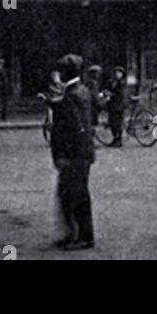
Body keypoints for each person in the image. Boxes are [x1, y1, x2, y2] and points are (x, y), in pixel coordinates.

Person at [49, 54, 95, 251]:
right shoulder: (81, 91)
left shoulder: (71, 96)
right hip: (83, 153)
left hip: (74, 155)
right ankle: (76, 234)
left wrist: (63, 156)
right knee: (76, 194)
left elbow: (73, 129)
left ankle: (81, 237)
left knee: (73, 195)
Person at [107, 66, 128, 147]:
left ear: (122, 74)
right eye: (116, 72)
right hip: (112, 105)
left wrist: (111, 95)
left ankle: (119, 140)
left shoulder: (121, 83)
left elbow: (120, 95)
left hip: (119, 105)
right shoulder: (112, 82)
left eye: (119, 73)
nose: (117, 74)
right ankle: (115, 139)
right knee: (112, 122)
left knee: (117, 123)